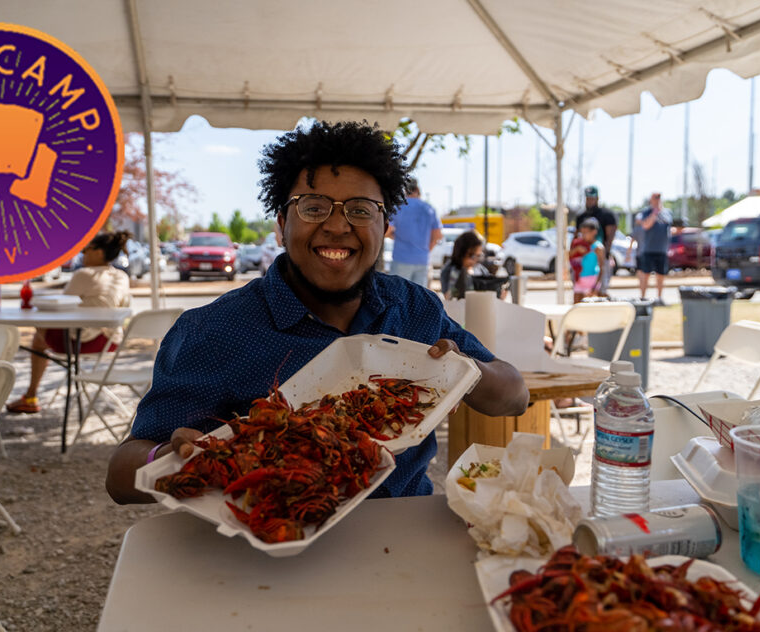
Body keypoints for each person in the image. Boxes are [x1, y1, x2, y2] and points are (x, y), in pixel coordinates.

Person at [106, 121, 528, 503]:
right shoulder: (212, 330)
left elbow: (515, 396)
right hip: (270, 545)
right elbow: (122, 475)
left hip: (403, 530)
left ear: (385, 228)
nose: (338, 225)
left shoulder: (414, 308)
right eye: (313, 207)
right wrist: (168, 455)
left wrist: (463, 371)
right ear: (281, 222)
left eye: (361, 210)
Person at [7, 231, 132, 413]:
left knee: (39, 338)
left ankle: (31, 395)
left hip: (82, 342)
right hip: (111, 343)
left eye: (86, 249)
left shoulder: (84, 274)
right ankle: (31, 396)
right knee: (44, 333)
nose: (82, 254)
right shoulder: (122, 276)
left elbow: (62, 306)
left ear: (98, 252)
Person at [386, 178, 442, 285]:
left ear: (405, 191)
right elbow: (438, 235)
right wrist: (425, 250)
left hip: (401, 258)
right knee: (418, 298)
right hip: (423, 260)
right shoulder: (429, 208)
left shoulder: (399, 207)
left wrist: (396, 236)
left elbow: (387, 229)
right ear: (417, 189)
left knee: (398, 295)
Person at [575, 186, 617, 295]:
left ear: (597, 198)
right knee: (581, 291)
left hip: (600, 255)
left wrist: (605, 253)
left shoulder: (607, 215)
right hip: (585, 258)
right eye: (587, 198)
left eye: (592, 198)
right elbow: (576, 236)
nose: (589, 201)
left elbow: (610, 235)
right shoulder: (581, 216)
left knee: (600, 289)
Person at [633, 192, 673, 301]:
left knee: (661, 275)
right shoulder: (646, 212)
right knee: (645, 274)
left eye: (658, 199)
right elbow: (646, 225)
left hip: (662, 249)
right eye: (654, 199)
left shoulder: (667, 213)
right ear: (651, 200)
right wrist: (655, 213)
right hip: (648, 248)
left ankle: (659, 298)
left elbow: (669, 228)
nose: (657, 201)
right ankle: (643, 297)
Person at [440, 231, 489, 300]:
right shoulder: (450, 270)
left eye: (478, 256)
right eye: (471, 255)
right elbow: (448, 297)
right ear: (461, 252)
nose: (475, 260)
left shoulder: (481, 270)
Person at [572, 218, 605, 304]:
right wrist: (576, 250)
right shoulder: (580, 245)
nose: (583, 235)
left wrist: (595, 287)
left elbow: (602, 267)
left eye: (586, 233)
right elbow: (570, 255)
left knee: (588, 305)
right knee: (576, 303)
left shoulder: (598, 247)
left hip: (591, 279)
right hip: (580, 278)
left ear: (594, 232)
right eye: (582, 233)